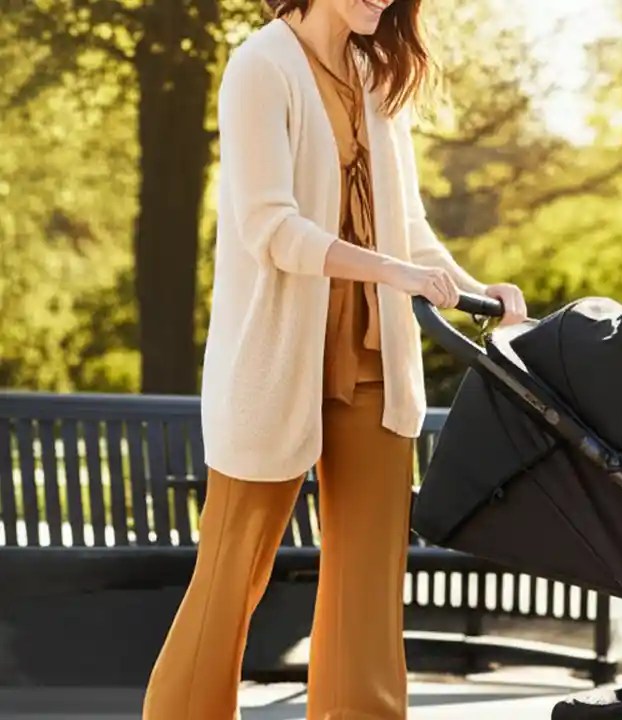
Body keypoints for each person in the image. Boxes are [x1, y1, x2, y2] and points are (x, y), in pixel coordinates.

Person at [142, 1, 528, 717]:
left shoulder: (376, 75)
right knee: (232, 576)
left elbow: (405, 225)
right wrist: (394, 272)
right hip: (277, 365)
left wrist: (476, 291)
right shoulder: (261, 66)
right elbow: (270, 227)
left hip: (377, 368)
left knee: (366, 593)